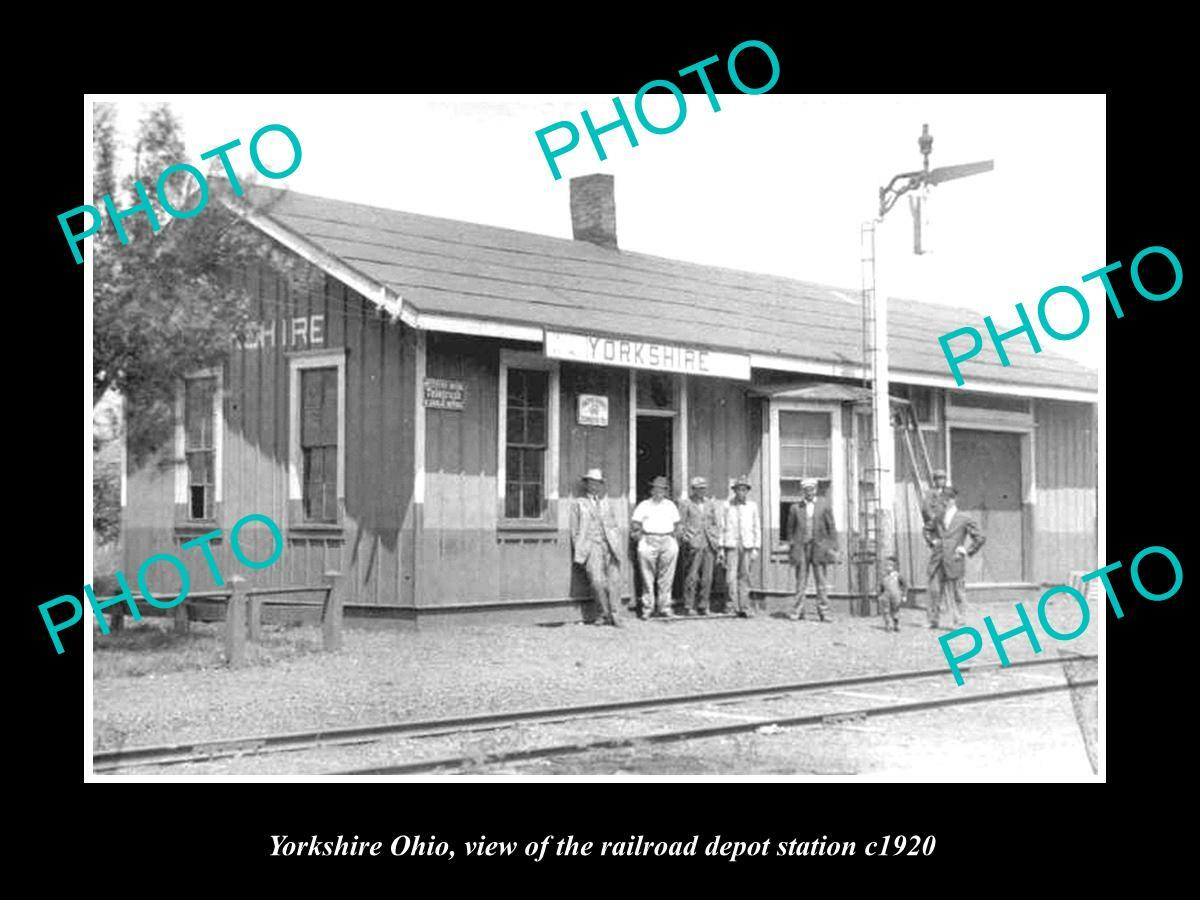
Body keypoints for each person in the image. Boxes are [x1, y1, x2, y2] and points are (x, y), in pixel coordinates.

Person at [923, 486, 986, 629]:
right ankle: (933, 620)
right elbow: (927, 529)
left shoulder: (964, 518)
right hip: (937, 559)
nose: (941, 501)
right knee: (934, 590)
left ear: (951, 500)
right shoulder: (938, 517)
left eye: (944, 499)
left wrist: (967, 549)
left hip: (955, 559)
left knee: (957, 592)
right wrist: (932, 541)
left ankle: (959, 621)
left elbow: (980, 537)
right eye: (941, 498)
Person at [569, 468, 625, 627]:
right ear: (586, 484)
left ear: (601, 485)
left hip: (609, 545)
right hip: (591, 546)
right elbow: (574, 531)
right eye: (591, 483)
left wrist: (615, 543)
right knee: (597, 581)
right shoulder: (579, 504)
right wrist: (579, 551)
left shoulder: (608, 503)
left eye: (597, 483)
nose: (594, 486)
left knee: (614, 581)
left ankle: (616, 615)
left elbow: (614, 525)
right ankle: (603, 613)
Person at [786, 478, 838, 622]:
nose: (809, 492)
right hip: (801, 548)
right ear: (803, 491)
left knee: (821, 582)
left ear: (815, 490)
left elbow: (831, 527)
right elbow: (790, 530)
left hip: (819, 548)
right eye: (806, 490)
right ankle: (797, 611)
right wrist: (792, 546)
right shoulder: (795, 507)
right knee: (800, 582)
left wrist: (831, 547)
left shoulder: (824, 505)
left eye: (812, 489)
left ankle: (824, 612)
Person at [631, 475, 681, 618]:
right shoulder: (644, 505)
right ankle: (648, 608)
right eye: (656, 488)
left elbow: (677, 524)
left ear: (666, 491)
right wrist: (641, 536)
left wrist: (674, 539)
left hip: (667, 538)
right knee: (647, 576)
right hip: (649, 538)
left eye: (662, 489)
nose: (659, 491)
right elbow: (635, 524)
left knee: (667, 576)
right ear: (651, 490)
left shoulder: (670, 505)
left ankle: (664, 607)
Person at [677, 476, 723, 615]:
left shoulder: (710, 504)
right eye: (699, 488)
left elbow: (714, 523)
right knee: (692, 576)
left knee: (707, 577)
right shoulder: (686, 504)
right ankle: (689, 605)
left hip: (709, 543)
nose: (702, 491)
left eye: (704, 488)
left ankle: (704, 604)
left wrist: (715, 538)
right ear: (693, 489)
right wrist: (687, 538)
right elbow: (680, 525)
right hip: (694, 543)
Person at [721, 475, 761, 618]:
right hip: (731, 544)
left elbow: (757, 527)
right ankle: (731, 605)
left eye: (744, 489)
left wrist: (756, 547)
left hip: (747, 544)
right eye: (738, 489)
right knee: (730, 577)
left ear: (747, 491)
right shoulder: (727, 505)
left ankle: (744, 606)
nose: (741, 492)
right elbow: (722, 526)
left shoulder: (752, 506)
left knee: (745, 576)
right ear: (735, 491)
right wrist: (721, 547)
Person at [878, 555, 907, 632]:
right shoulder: (883, 576)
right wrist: (880, 595)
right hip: (886, 595)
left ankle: (896, 624)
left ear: (894, 566)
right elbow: (881, 586)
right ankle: (888, 625)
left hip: (896, 595)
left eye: (890, 565)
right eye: (887, 565)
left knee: (895, 610)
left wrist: (904, 595)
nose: (888, 567)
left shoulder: (898, 575)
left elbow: (904, 585)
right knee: (886, 611)